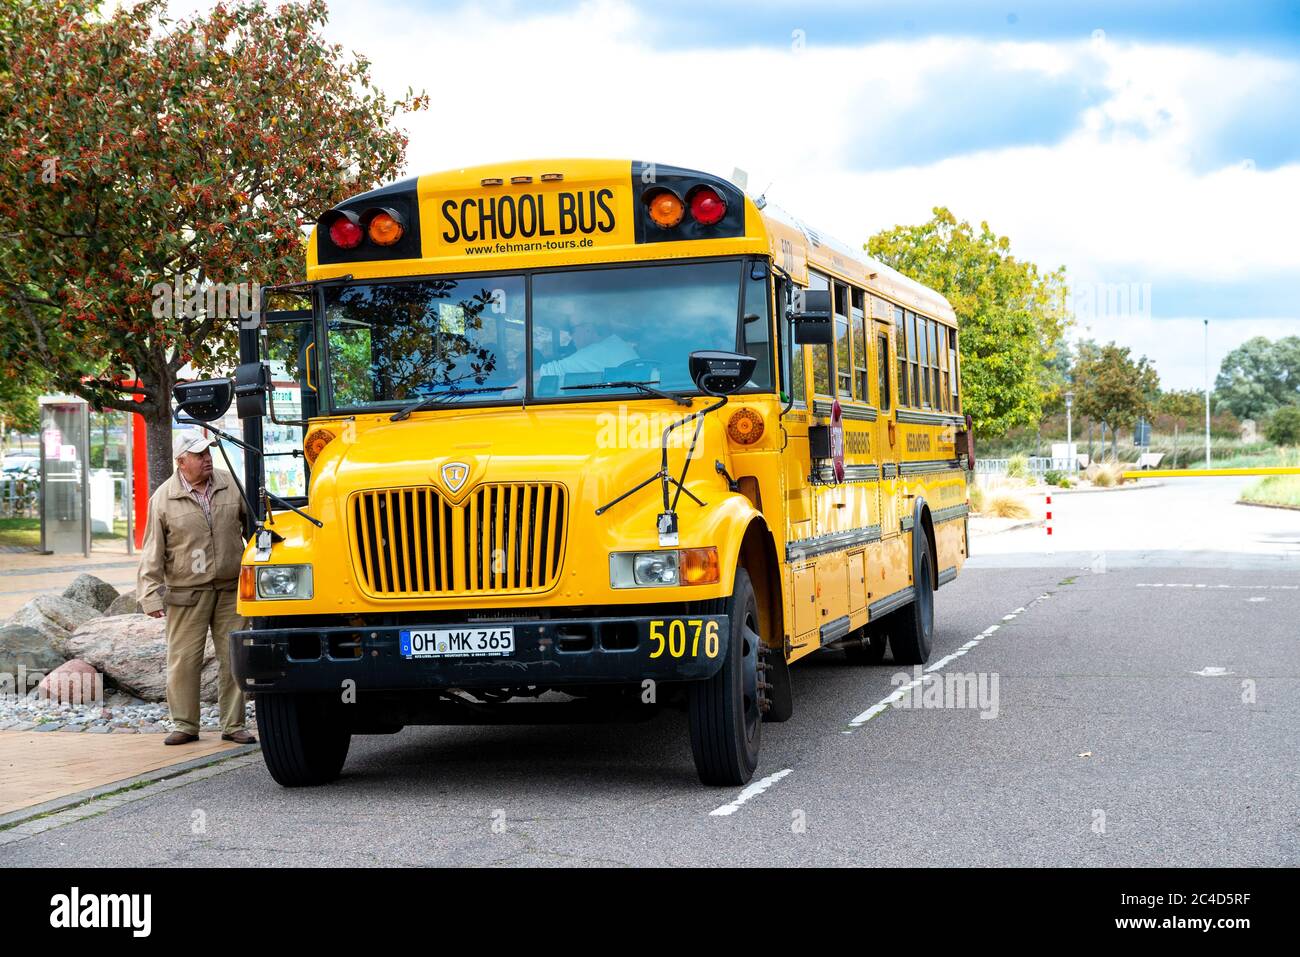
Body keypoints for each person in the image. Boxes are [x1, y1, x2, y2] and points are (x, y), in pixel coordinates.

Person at [137, 430, 255, 746]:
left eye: (208, 453)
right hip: (186, 591)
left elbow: (252, 529)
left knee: (234, 657)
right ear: (181, 461)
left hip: (231, 588)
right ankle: (185, 725)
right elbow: (152, 550)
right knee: (184, 660)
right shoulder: (163, 497)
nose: (207, 459)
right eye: (199, 455)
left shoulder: (229, 483)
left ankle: (233, 725)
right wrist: (149, 594)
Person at [536, 316, 638, 381]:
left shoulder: (598, 351)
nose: (571, 336)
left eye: (572, 330)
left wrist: (521, 384)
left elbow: (544, 375)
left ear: (588, 329)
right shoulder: (617, 344)